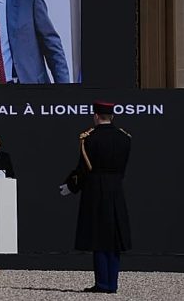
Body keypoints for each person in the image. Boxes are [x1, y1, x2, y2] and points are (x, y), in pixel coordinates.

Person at [60, 101, 132, 294]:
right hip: (116, 189)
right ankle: (112, 284)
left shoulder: (89, 138)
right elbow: (122, 169)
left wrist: (71, 186)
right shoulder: (125, 138)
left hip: (95, 191)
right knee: (113, 239)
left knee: (99, 239)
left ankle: (102, 284)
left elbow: (83, 170)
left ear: (96, 116)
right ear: (112, 117)